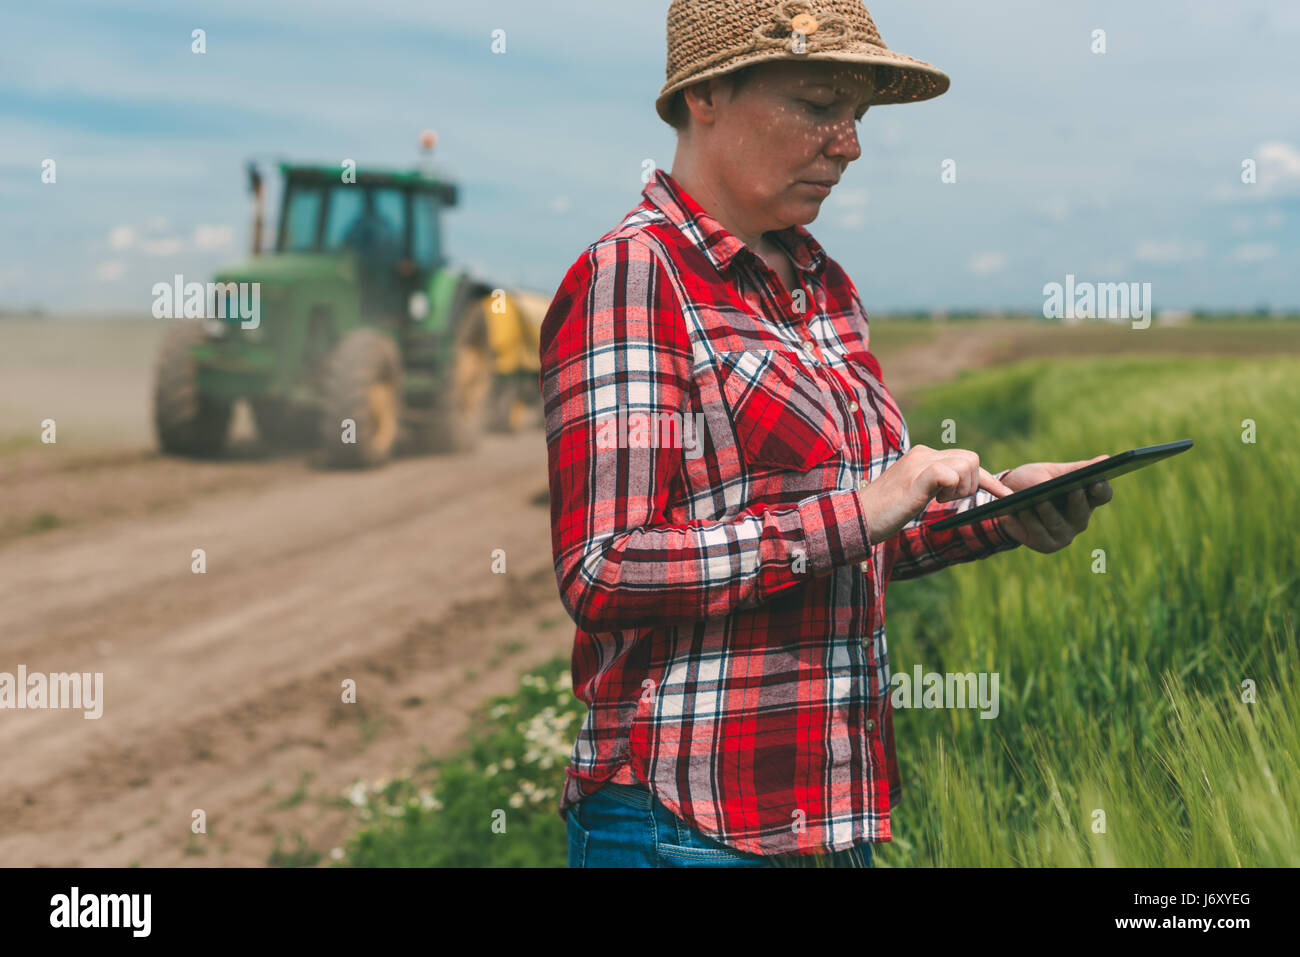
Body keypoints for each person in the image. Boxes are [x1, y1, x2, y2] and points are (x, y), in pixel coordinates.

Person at [539, 0, 1113, 868]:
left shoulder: (824, 286)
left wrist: (1003, 512)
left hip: (830, 814)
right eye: (817, 105)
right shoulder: (634, 275)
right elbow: (605, 567)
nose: (848, 143)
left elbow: (858, 534)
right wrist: (858, 513)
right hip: (683, 821)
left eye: (857, 116)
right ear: (707, 95)